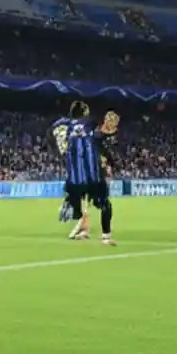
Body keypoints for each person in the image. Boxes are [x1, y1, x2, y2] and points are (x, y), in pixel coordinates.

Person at [58, 100, 119, 245]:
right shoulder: (91, 124)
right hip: (94, 176)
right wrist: (111, 131)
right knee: (105, 205)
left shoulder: (68, 129)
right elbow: (100, 138)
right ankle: (105, 236)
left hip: (76, 179)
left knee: (83, 202)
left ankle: (80, 223)